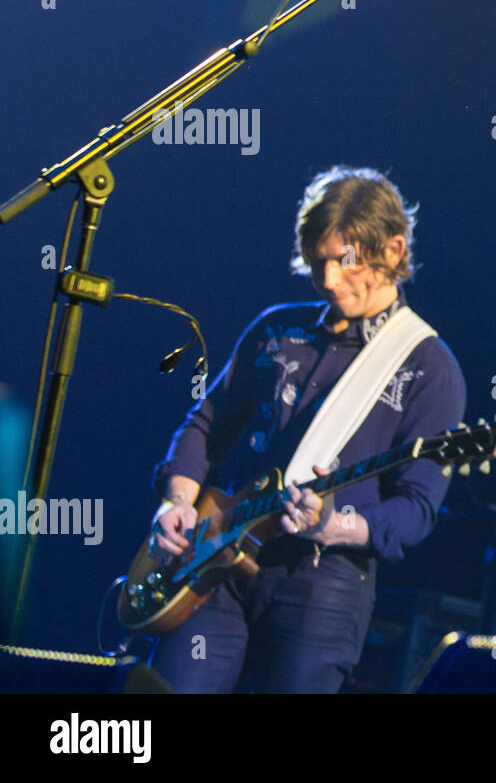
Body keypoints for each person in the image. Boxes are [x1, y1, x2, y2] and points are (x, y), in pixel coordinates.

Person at [147, 166, 467, 692]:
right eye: (319, 263)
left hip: (323, 582)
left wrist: (331, 525)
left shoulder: (429, 367)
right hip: (216, 560)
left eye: (346, 262)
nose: (329, 280)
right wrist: (176, 503)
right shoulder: (277, 327)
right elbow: (206, 424)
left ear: (393, 250)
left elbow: (417, 508)